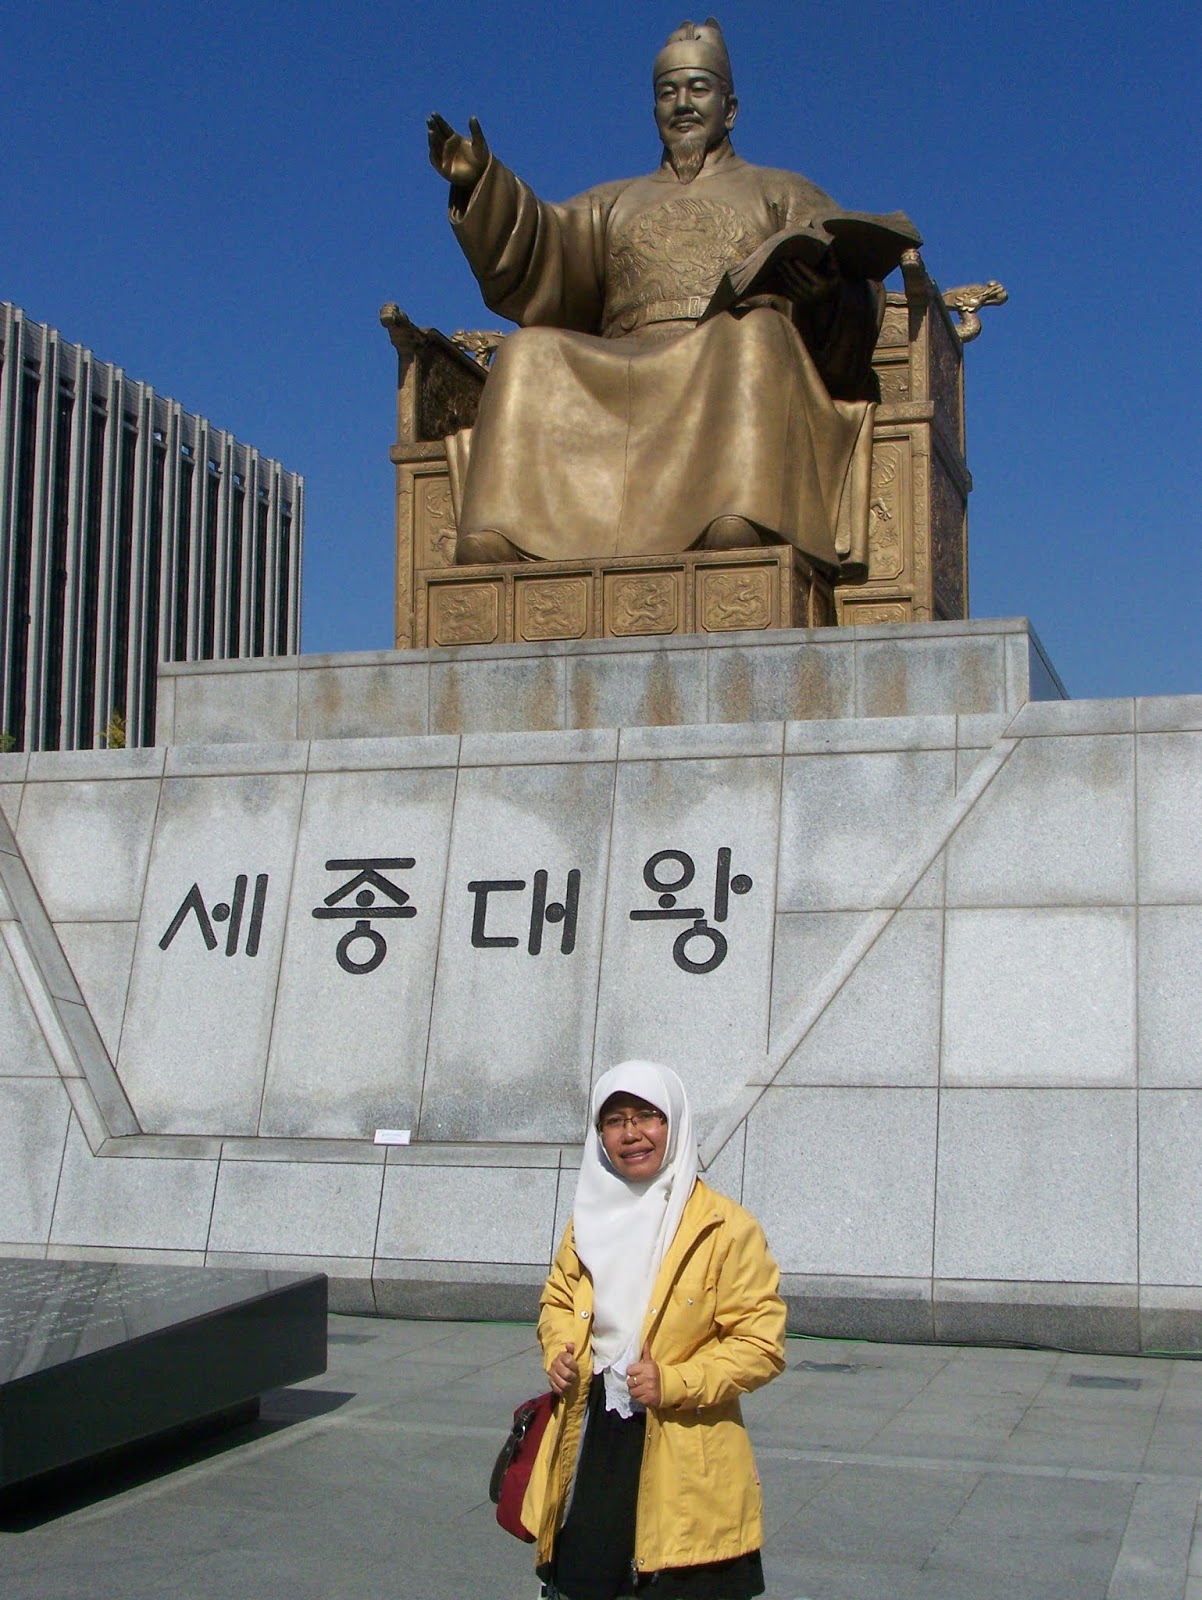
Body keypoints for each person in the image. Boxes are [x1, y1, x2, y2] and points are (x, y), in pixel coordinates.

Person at [427, 19, 916, 577]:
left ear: (729, 109)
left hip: (725, 360)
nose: (683, 104)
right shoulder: (614, 200)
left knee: (751, 334)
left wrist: (825, 294)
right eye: (668, 92)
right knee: (525, 352)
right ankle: (507, 528)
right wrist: (481, 182)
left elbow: (850, 279)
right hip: (619, 358)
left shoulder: (781, 190)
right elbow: (542, 241)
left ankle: (739, 512)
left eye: (698, 89)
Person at [521, 1060, 786, 1599]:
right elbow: (558, 1300)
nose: (631, 1133)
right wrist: (559, 1350)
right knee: (584, 1583)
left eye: (648, 1116)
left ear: (677, 1125)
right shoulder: (586, 1221)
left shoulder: (724, 1229)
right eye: (614, 1120)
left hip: (686, 1450)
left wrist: (677, 1381)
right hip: (595, 1438)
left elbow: (761, 1344)